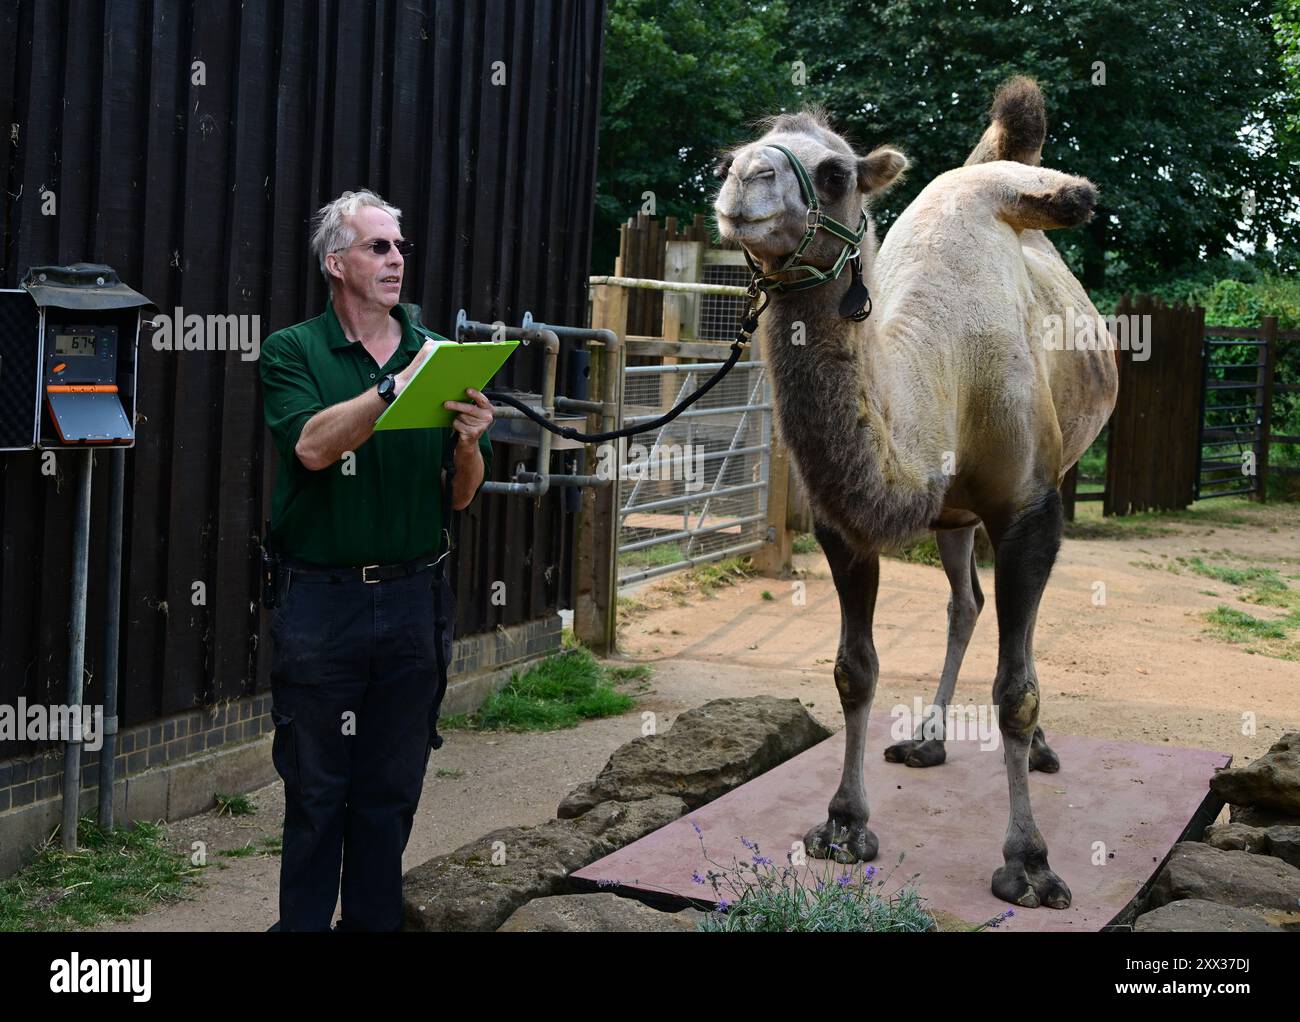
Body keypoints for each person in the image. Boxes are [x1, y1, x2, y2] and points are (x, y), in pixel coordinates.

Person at [257, 189, 493, 931]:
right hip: (322, 604)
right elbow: (312, 447)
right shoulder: (292, 350)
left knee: (391, 788)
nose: (397, 260)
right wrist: (394, 385)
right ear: (337, 262)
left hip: (414, 598)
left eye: (399, 247)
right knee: (318, 790)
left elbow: (458, 499)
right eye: (377, 247)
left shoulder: (436, 351)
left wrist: (469, 443)